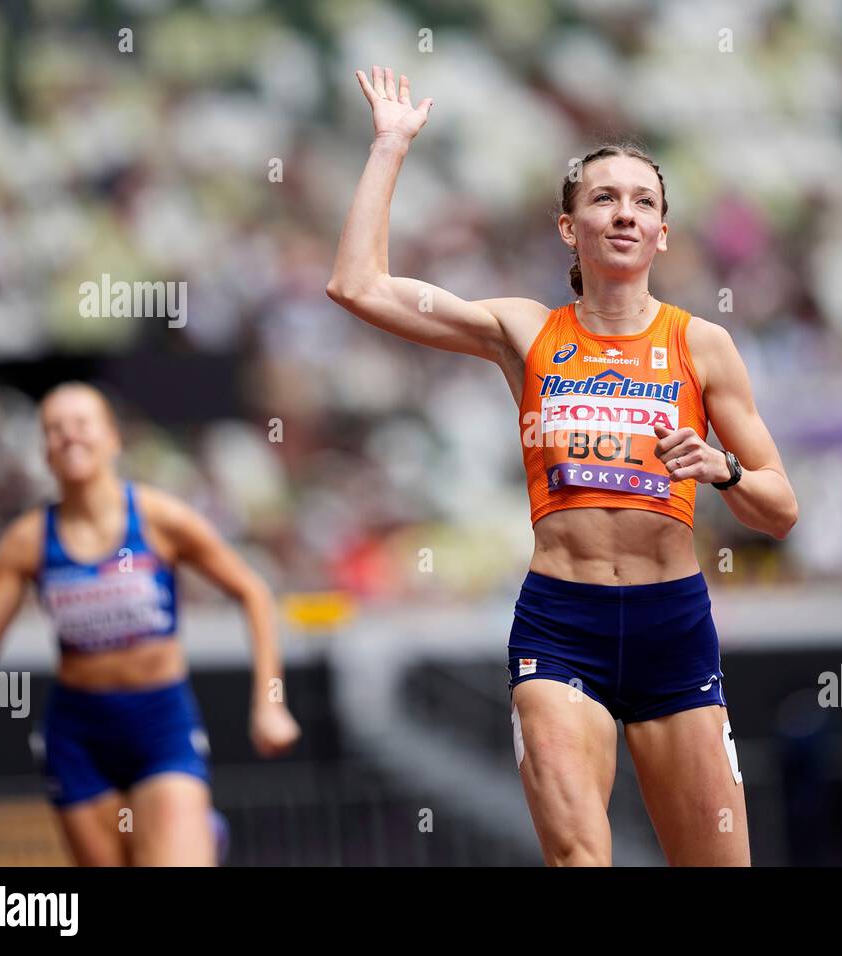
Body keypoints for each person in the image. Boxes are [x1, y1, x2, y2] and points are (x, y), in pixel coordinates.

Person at [327, 66, 798, 865]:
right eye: (604, 198)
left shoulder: (701, 345)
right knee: (579, 857)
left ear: (662, 235)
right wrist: (389, 146)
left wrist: (722, 469)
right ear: (567, 226)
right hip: (561, 625)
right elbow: (357, 285)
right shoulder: (525, 331)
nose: (624, 213)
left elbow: (781, 508)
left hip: (672, 626)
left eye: (643, 202)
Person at [0, 382, 301, 865]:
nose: (69, 437)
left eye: (82, 425)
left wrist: (269, 703)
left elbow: (253, 591)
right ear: (44, 452)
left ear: (112, 438)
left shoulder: (159, 519)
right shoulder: (27, 542)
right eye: (55, 430)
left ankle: (194, 832)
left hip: (160, 722)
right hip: (80, 734)